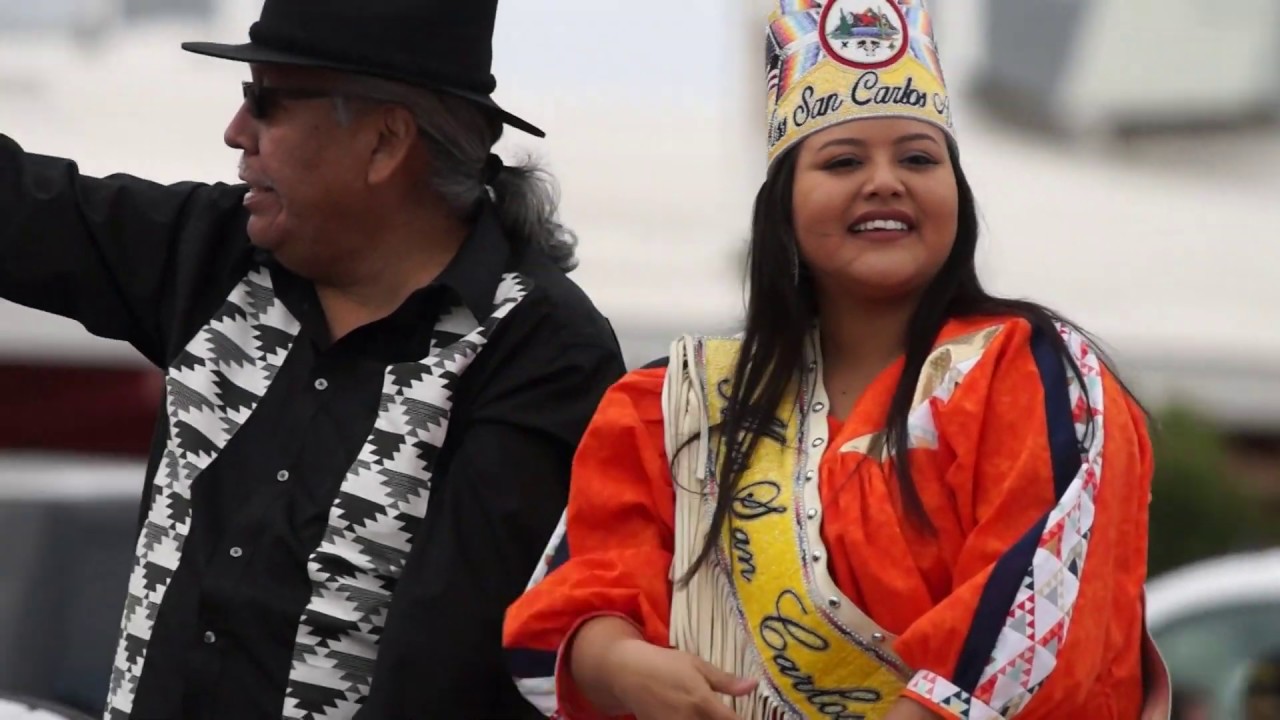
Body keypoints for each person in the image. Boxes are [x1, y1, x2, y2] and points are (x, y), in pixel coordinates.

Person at [503, 0, 1172, 718]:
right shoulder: (673, 408)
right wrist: (619, 661)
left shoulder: (1032, 376)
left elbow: (1041, 611)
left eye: (918, 157)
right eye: (843, 160)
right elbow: (572, 608)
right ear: (783, 203)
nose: (885, 180)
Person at [0, 0, 626, 718]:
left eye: (264, 100)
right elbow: (20, 208)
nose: (236, 133)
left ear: (385, 142)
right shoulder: (218, 253)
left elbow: (451, 671)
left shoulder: (539, 349)